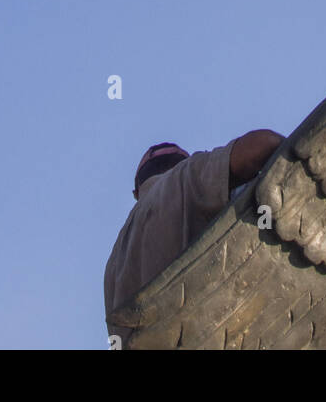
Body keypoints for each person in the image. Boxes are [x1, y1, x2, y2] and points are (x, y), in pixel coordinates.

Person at [104, 129, 283, 344]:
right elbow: (264, 145)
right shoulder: (184, 177)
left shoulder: (112, 266)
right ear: (181, 163)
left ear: (136, 192)